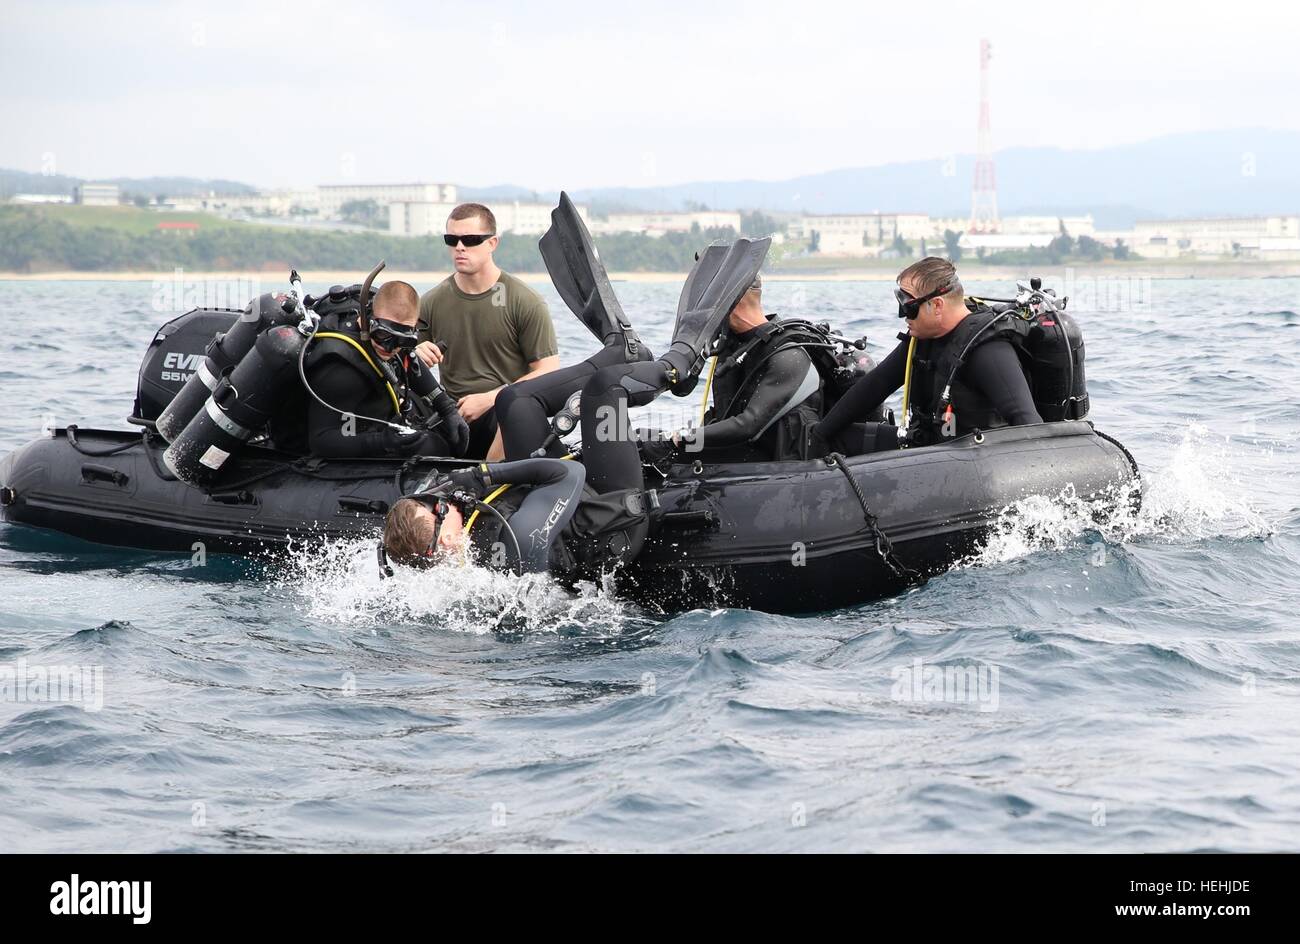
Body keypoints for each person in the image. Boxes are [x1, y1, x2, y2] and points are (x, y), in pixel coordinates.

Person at [382, 209, 772, 580]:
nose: (443, 503)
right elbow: (566, 472)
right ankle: (677, 366)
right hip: (611, 510)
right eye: (437, 509)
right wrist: (479, 475)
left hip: (556, 498)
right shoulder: (517, 540)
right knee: (605, 390)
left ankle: (619, 351)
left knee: (512, 402)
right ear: (444, 541)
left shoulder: (458, 548)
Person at [813, 257, 1041, 454]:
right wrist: (820, 435)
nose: (903, 314)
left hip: (973, 462)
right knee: (835, 436)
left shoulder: (988, 351)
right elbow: (875, 386)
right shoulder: (921, 339)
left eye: (909, 306)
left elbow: (1029, 424)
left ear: (937, 305)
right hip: (926, 446)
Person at [414, 203, 560, 459]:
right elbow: (399, 366)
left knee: (513, 411)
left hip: (503, 414)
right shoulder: (431, 301)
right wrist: (414, 353)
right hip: (450, 413)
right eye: (452, 239)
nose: (460, 247)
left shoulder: (524, 301)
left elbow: (548, 371)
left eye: (470, 240)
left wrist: (492, 398)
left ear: (492, 243)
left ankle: (490, 482)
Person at [302, 280, 469, 459]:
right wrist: (381, 443)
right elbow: (320, 441)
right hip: (343, 437)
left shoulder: (393, 343)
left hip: (379, 416)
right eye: (382, 335)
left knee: (448, 438)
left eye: (403, 341)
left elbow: (408, 357)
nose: (390, 348)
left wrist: (447, 408)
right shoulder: (341, 370)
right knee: (431, 447)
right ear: (367, 319)